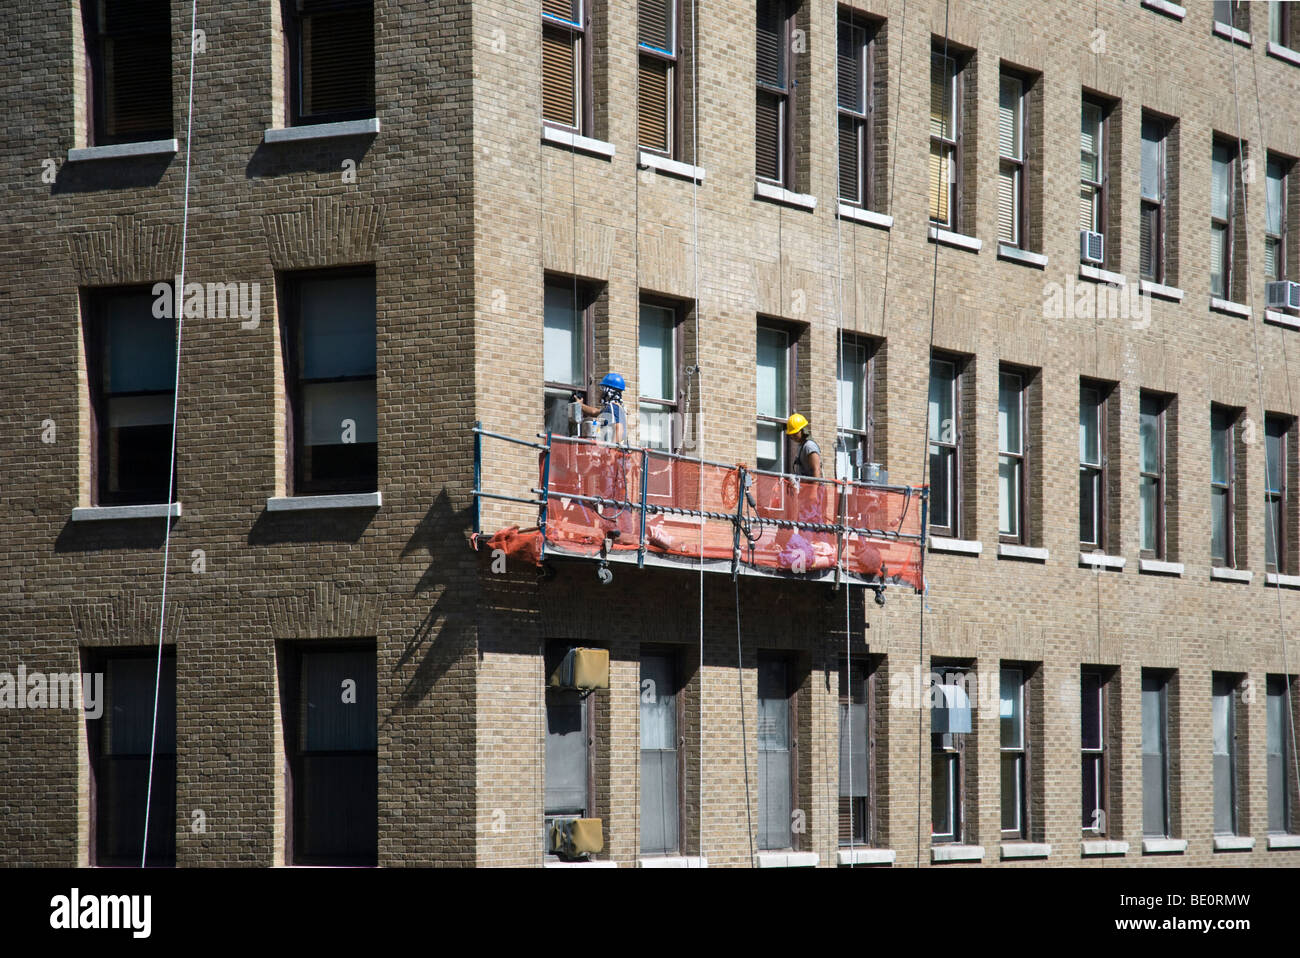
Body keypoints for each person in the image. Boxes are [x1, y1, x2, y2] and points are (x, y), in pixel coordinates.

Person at [575, 373, 627, 444]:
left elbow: (619, 428)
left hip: (613, 451)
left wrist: (612, 450)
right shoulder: (617, 408)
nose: (600, 393)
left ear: (608, 392)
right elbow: (594, 412)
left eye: (602, 389)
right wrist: (580, 405)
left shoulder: (612, 407)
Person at [785, 413, 821, 478]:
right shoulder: (801, 446)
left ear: (803, 430)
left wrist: (814, 488)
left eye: (795, 433)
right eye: (791, 434)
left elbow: (816, 470)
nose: (793, 437)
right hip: (804, 486)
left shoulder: (809, 446)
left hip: (812, 486)